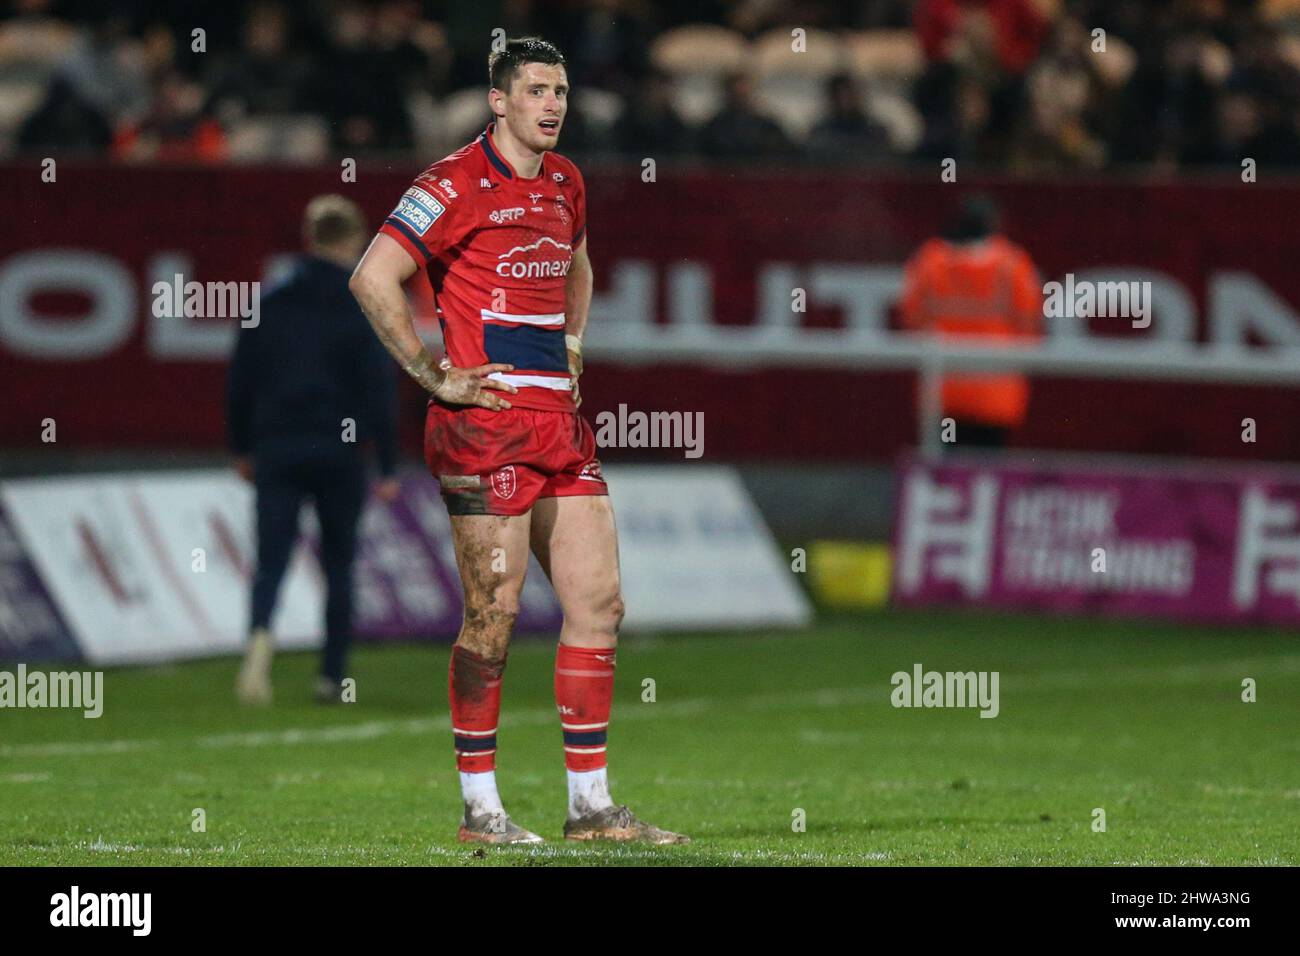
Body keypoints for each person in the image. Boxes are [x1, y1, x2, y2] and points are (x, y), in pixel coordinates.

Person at [349, 37, 688, 846]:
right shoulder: (451, 183)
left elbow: (577, 265)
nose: (554, 104)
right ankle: (481, 810)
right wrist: (432, 374)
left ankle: (591, 809)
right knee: (494, 616)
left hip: (559, 428)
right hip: (485, 431)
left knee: (600, 605)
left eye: (562, 91)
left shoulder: (567, 182)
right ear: (499, 101)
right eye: (537, 90)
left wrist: (572, 347)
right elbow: (370, 275)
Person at [228, 195, 399, 705]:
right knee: (340, 562)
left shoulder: (272, 303)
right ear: (354, 241)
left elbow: (240, 382)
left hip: (277, 445)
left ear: (309, 237)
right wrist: (388, 462)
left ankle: (260, 642)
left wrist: (242, 445)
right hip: (338, 451)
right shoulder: (363, 305)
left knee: (271, 560)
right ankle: (331, 675)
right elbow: (380, 389)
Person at [899, 194, 1043, 448]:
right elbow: (1030, 325)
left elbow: (911, 318)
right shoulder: (1012, 264)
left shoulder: (929, 262)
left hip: (942, 388)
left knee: (944, 471)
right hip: (995, 392)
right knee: (984, 472)